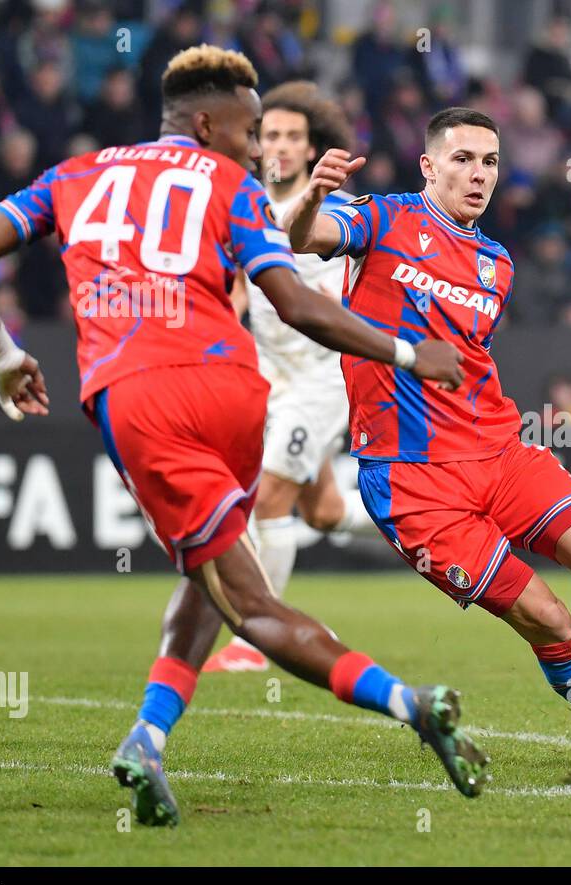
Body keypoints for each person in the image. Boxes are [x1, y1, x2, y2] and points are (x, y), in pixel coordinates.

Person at [0, 46, 488, 826]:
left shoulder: (73, 174)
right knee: (210, 577)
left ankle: (411, 702)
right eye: (248, 129)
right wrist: (406, 351)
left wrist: (2, 359)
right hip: (236, 393)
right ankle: (148, 735)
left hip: (140, 399)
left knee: (249, 602)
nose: (255, 146)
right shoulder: (229, 184)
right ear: (205, 123)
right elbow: (296, 302)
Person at [283, 107, 571, 771]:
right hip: (413, 479)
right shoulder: (382, 219)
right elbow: (306, 237)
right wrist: (310, 194)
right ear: (429, 165)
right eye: (462, 159)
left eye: (489, 162)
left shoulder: (497, 264)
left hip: (499, 451)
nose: (478, 175)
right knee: (546, 619)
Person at [203, 80, 376, 674]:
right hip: (272, 379)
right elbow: (236, 293)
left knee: (268, 496)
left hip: (326, 379)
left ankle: (258, 639)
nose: (276, 144)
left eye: (290, 136)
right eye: (267, 133)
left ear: (311, 148)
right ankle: (419, 525)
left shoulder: (337, 212)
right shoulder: (244, 206)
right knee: (325, 512)